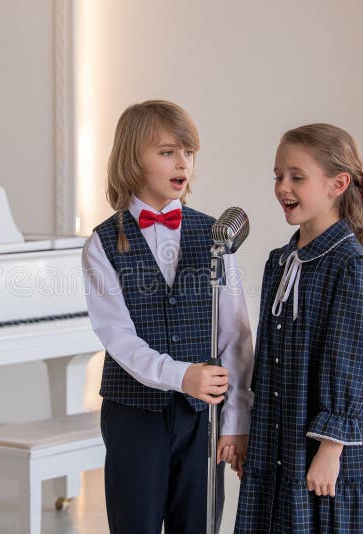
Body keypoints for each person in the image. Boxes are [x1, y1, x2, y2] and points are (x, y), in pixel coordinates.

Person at [82, 99, 255, 533]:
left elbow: (234, 335)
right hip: (133, 415)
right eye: (166, 152)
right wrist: (181, 374)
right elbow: (117, 338)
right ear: (132, 159)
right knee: (134, 523)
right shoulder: (102, 243)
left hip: (202, 416)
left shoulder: (215, 235)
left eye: (188, 152)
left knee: (196, 522)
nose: (183, 163)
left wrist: (234, 421)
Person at [232, 123, 363, 533]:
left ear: (337, 184)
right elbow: (268, 360)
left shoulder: (349, 266)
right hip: (280, 437)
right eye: (278, 176)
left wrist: (330, 449)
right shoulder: (280, 261)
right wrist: (251, 429)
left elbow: (350, 365)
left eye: (297, 177)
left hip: (325, 448)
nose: (282, 186)